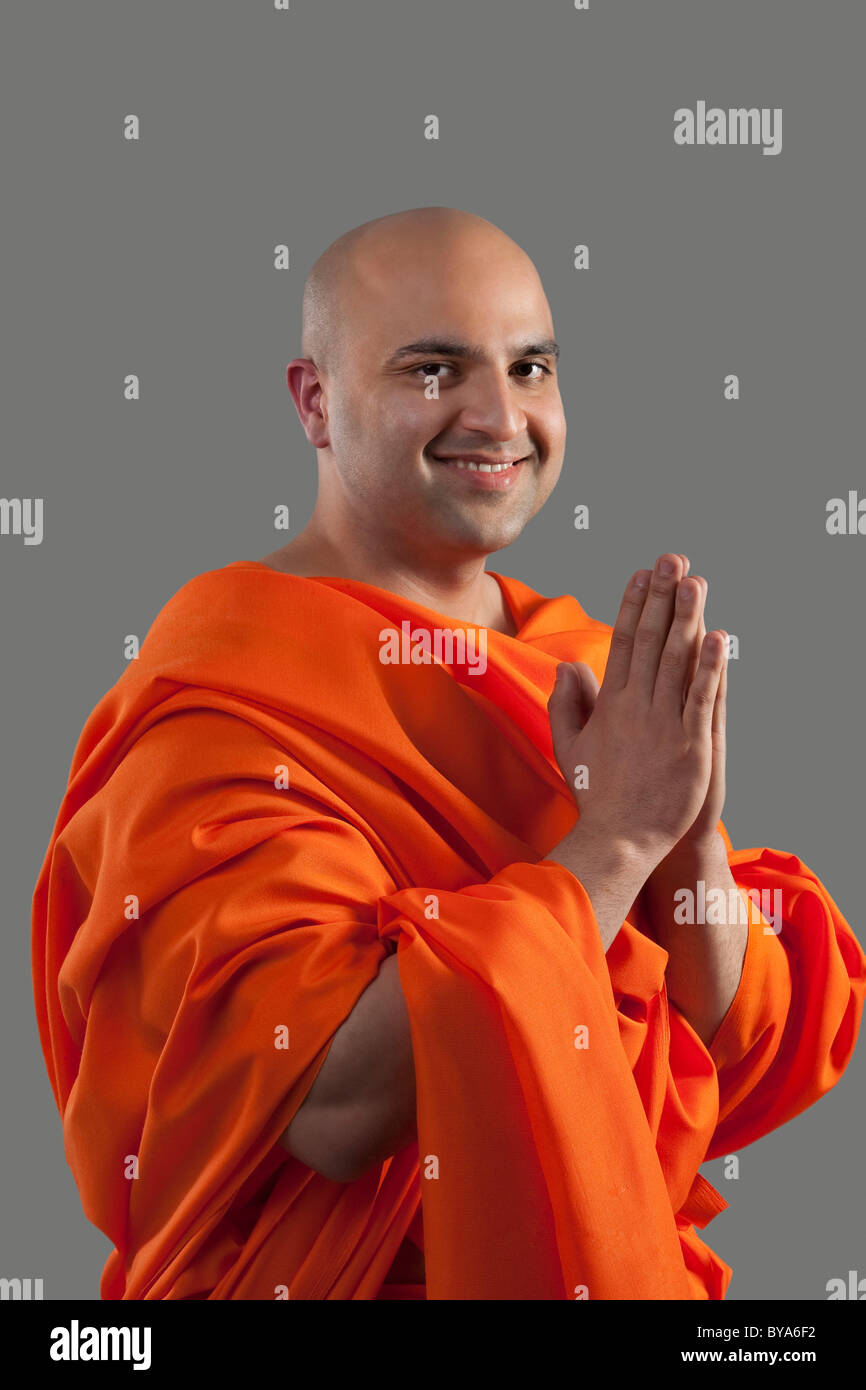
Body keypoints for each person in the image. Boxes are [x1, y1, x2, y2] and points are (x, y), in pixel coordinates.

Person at [31, 207, 865, 1300]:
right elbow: (329, 1104)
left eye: (529, 367)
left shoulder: (578, 664)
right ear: (313, 401)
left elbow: (719, 1056)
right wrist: (611, 843)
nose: (499, 415)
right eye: (433, 369)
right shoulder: (224, 697)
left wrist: (682, 841)